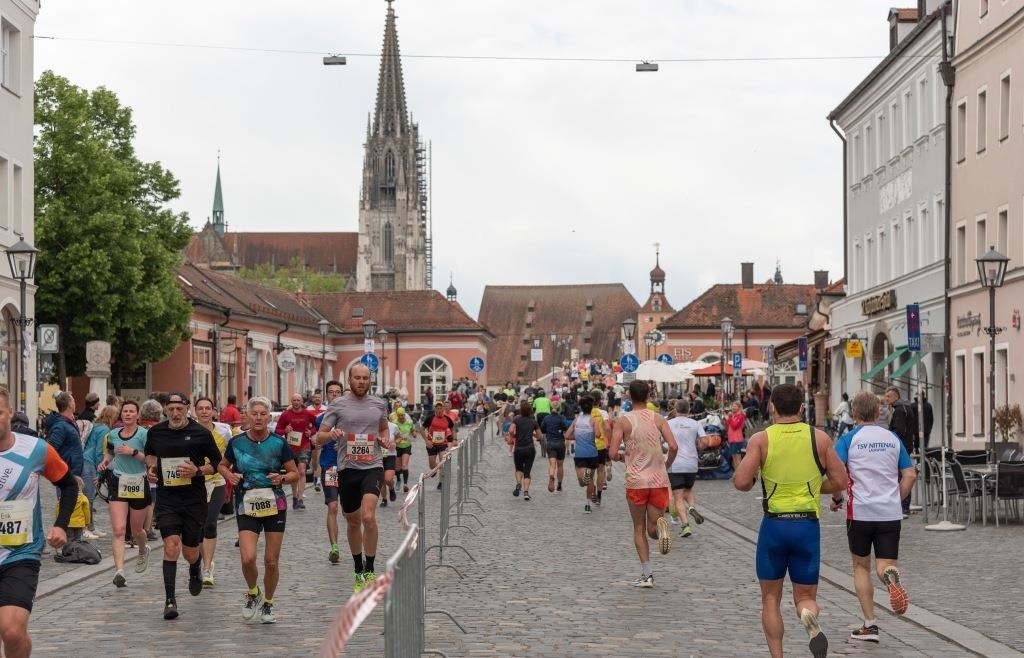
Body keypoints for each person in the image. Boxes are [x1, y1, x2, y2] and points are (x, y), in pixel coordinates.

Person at [733, 383, 848, 658]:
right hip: (806, 527)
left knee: (770, 599)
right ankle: (809, 617)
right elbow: (840, 480)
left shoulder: (761, 439)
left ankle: (778, 656)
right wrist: (813, 488)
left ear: (772, 406)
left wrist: (755, 477)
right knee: (805, 598)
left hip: (774, 526)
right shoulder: (819, 438)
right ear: (801, 407)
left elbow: (741, 482)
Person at [830, 391, 915, 643]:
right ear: (879, 412)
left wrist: (837, 499)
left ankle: (870, 625)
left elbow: (837, 475)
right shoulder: (892, 438)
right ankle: (890, 577)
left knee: (860, 567)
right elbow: (910, 474)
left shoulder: (848, 439)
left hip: (860, 512)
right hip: (889, 513)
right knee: (884, 564)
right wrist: (895, 498)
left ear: (854, 413)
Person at [0, 387, 76, 658]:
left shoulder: (35, 449)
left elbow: (69, 485)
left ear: (10, 413)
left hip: (20, 553)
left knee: (12, 631)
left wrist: (61, 525)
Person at [219, 397, 299, 624]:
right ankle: (253, 592)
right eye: (254, 413)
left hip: (275, 504)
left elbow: (294, 473)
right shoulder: (237, 443)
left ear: (268, 417)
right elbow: (222, 465)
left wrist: (282, 478)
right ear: (247, 415)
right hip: (247, 503)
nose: (258, 418)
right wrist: (229, 475)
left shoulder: (278, 443)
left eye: (263, 414)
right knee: (248, 558)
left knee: (271, 561)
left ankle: (269, 603)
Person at [144, 393, 222, 620]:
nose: (175, 413)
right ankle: (170, 600)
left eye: (179, 409)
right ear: (166, 410)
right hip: (167, 498)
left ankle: (195, 567)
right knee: (171, 546)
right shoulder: (156, 432)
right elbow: (150, 454)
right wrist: (151, 468)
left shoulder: (201, 433)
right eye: (171, 409)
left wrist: (197, 470)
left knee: (189, 552)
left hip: (193, 500)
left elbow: (217, 463)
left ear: (187, 409)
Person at [316, 364, 393, 594]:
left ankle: (370, 569)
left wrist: (384, 440)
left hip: (373, 466)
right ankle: (358, 568)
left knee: (368, 517)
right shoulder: (337, 405)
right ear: (349, 380)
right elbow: (319, 437)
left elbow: (383, 429)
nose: (361, 381)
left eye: (365, 378)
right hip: (347, 468)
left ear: (370, 380)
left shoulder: (379, 404)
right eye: (357, 378)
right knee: (352, 521)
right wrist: (331, 434)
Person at [609, 381, 678, 587]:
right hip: (658, 479)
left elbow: (612, 453)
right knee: (652, 528)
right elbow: (673, 446)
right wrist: (667, 464)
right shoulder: (658, 419)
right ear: (648, 396)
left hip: (636, 480)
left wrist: (624, 457)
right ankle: (661, 529)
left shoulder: (623, 421)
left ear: (629, 396)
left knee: (639, 528)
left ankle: (647, 575)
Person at [98, 400, 151, 588]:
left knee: (137, 530)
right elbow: (110, 453)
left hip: (138, 482)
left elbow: (150, 460)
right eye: (125, 411)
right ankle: (119, 571)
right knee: (119, 529)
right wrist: (105, 462)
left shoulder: (144, 434)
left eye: (131, 411)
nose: (128, 414)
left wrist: (133, 451)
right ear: (121, 415)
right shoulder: (113, 434)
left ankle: (143, 549)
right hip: (118, 481)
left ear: (138, 415)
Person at [193, 397, 231, 588]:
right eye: (200, 408)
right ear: (195, 411)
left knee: (210, 524)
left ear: (214, 411)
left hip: (217, 481)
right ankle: (204, 560)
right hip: (195, 483)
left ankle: (207, 568)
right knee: (197, 527)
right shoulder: (190, 431)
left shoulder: (224, 431)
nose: (204, 412)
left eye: (208, 408)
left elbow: (230, 455)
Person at [666, 399, 708, 538]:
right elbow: (705, 441)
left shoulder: (668, 423)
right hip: (692, 463)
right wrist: (698, 446)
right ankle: (691, 507)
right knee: (688, 490)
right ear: (689, 410)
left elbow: (661, 441)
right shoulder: (696, 423)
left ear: (675, 409)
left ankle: (685, 526)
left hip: (675, 463)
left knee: (678, 497)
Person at [315, 381, 345, 564]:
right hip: (330, 466)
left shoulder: (351, 417)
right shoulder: (321, 419)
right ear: (327, 395)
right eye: (331, 392)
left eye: (337, 392)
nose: (334, 395)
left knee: (349, 512)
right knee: (333, 506)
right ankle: (334, 546)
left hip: (349, 467)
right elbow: (317, 440)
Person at [82, 404, 118, 540]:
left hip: (85, 460)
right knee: (89, 497)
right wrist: (99, 473)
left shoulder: (96, 426)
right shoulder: (105, 430)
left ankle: (90, 526)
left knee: (88, 496)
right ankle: (85, 528)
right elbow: (99, 452)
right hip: (90, 463)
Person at [277, 394, 317, 510]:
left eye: (298, 400)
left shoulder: (307, 413)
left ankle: (300, 499)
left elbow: (317, 425)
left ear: (302, 402)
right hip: (290, 447)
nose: (296, 402)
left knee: (302, 471)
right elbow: (277, 431)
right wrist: (285, 430)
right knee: (294, 473)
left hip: (304, 446)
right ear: (291, 401)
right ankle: (294, 496)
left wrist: (311, 432)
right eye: (294, 400)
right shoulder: (285, 415)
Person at [885, 386, 918, 517]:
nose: (886, 399)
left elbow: (899, 431)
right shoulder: (905, 407)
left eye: (889, 396)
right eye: (886, 396)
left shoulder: (900, 410)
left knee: (902, 476)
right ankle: (904, 506)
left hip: (901, 447)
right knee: (903, 475)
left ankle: (903, 506)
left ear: (896, 396)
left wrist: (889, 439)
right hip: (906, 446)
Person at [564, 396, 600, 513]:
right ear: (591, 408)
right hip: (592, 454)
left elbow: (567, 436)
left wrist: (578, 437)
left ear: (581, 408)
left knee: (582, 482)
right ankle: (588, 505)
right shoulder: (594, 420)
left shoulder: (576, 420)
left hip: (580, 454)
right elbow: (598, 434)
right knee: (590, 480)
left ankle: (585, 475)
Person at [506, 401, 540, 501]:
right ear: (530, 410)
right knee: (527, 471)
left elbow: (511, 430)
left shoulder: (516, 419)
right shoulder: (533, 421)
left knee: (519, 468)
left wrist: (513, 436)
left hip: (518, 448)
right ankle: (526, 493)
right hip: (530, 448)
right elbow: (539, 436)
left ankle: (518, 483)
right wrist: (532, 434)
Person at [44, 392, 83, 478]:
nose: (75, 403)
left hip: (72, 472)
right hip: (66, 474)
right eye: (73, 400)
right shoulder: (61, 426)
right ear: (69, 405)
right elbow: (50, 449)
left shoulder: (68, 422)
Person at [423, 401, 454, 490]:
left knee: (442, 462)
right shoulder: (430, 418)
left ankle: (441, 482)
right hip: (432, 444)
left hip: (443, 444)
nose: (439, 410)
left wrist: (453, 439)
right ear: (435, 409)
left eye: (441, 408)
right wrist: (426, 441)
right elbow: (421, 429)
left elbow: (452, 428)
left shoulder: (447, 419)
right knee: (432, 465)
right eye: (437, 408)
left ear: (443, 409)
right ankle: (435, 469)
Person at [540, 403, 568, 493]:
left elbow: (542, 429)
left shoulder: (546, 418)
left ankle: (551, 477)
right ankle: (559, 485)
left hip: (550, 443)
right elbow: (565, 428)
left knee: (552, 464)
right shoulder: (561, 418)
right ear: (559, 409)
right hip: (560, 443)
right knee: (560, 465)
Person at [390, 407, 418, 493]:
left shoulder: (409, 422)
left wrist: (414, 434)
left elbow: (413, 430)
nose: (401, 417)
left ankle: (405, 484)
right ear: (397, 415)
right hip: (397, 447)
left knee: (404, 465)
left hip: (406, 446)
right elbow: (392, 435)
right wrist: (396, 440)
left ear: (405, 414)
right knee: (398, 468)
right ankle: (398, 479)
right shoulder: (394, 424)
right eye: (399, 415)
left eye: (402, 415)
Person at [725, 401, 747, 472]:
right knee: (734, 458)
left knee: (738, 458)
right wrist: (728, 419)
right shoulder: (733, 416)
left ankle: (741, 474)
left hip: (737, 440)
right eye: (732, 406)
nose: (733, 407)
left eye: (735, 406)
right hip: (731, 439)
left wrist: (729, 419)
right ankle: (737, 473)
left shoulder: (740, 416)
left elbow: (735, 426)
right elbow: (728, 426)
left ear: (739, 407)